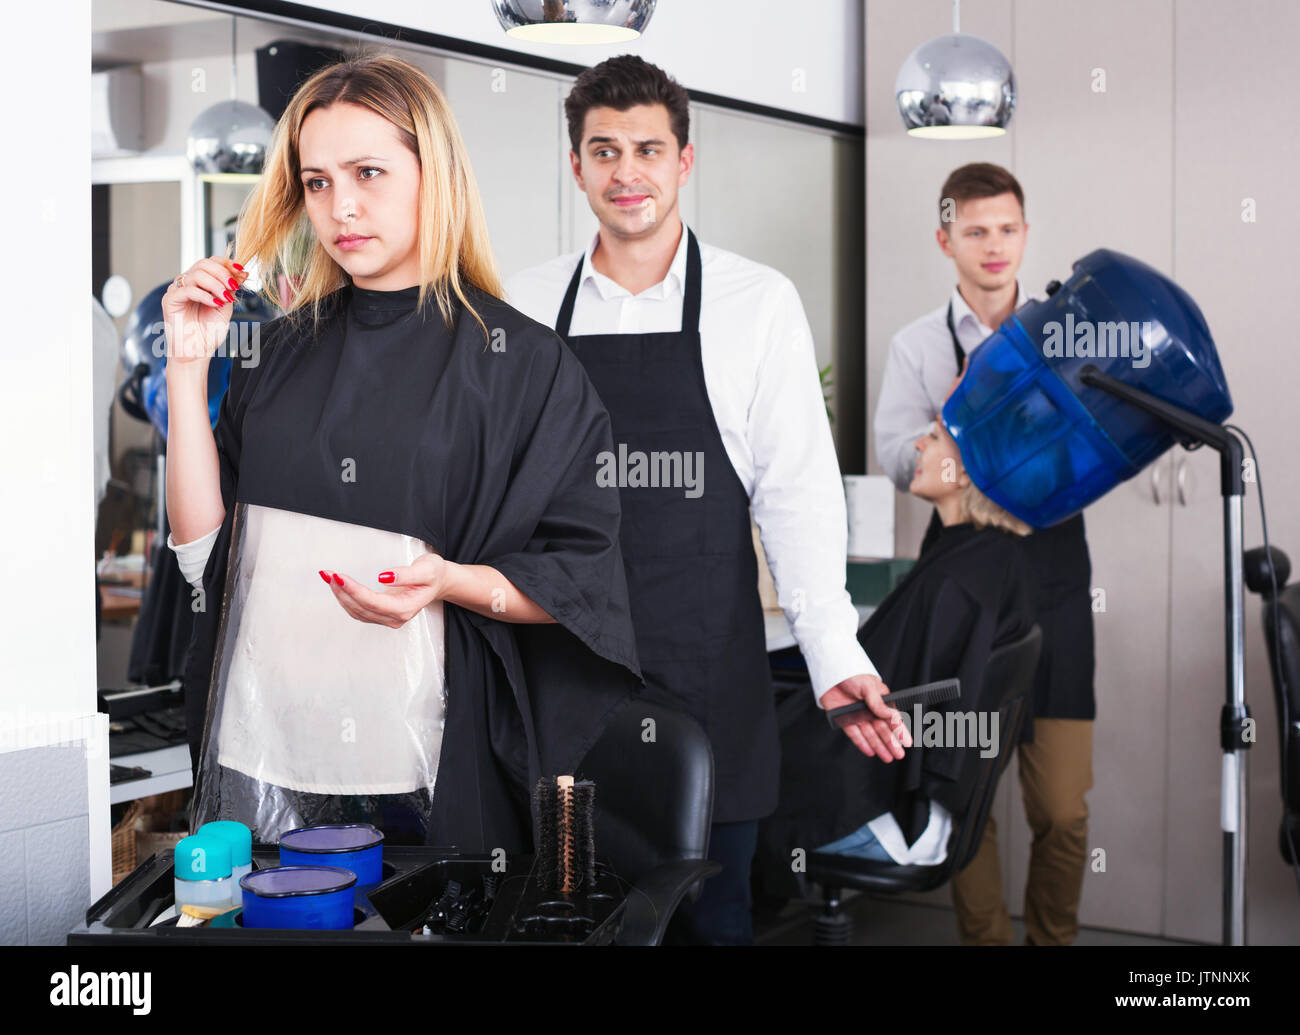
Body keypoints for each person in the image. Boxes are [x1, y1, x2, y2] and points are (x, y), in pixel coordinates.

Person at [162, 51, 642, 853]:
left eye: (368, 173)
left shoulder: (522, 365)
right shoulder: (277, 355)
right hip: (264, 754)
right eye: (317, 182)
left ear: (434, 174)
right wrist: (186, 366)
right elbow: (205, 556)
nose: (341, 206)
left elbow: (580, 581)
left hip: (427, 773)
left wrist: (448, 582)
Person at [505, 54, 907, 945]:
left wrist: (833, 652)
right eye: (603, 150)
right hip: (567, 685)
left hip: (708, 678)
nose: (626, 172)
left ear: (685, 160)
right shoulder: (528, 306)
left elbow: (796, 495)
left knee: (712, 922)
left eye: (648, 148)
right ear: (577, 167)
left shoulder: (756, 302)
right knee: (574, 919)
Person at [873, 162, 1096, 946]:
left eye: (1007, 229)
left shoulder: (1067, 338)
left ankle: (1052, 940)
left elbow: (1093, 451)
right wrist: (957, 424)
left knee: (1062, 808)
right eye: (976, 231)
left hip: (1057, 580)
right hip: (964, 573)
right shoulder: (916, 347)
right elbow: (898, 457)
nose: (994, 246)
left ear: (1025, 235)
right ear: (946, 239)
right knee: (961, 790)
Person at [758, 413, 1036, 882]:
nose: (916, 448)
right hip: (925, 814)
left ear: (965, 470)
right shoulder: (988, 556)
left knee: (723, 806)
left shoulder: (953, 582)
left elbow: (895, 709)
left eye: (932, 438)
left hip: (892, 820)